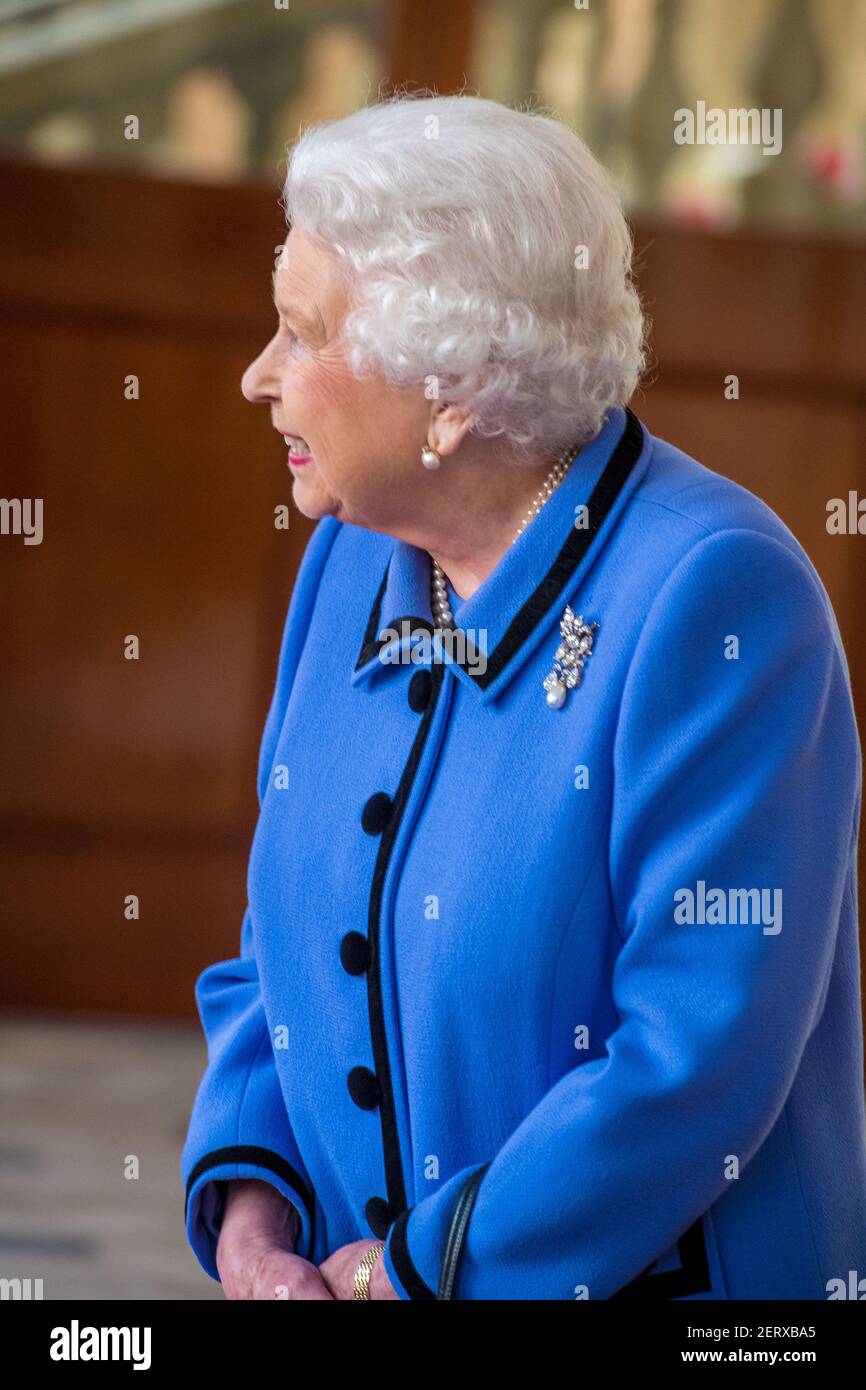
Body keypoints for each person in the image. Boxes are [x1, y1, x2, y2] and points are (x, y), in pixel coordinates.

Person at [180, 93, 866, 1300]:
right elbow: (278, 943)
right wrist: (252, 1212)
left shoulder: (713, 595)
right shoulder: (349, 555)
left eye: (302, 332)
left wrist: (420, 1274)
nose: (257, 376)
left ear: (447, 389)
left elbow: (694, 1062)